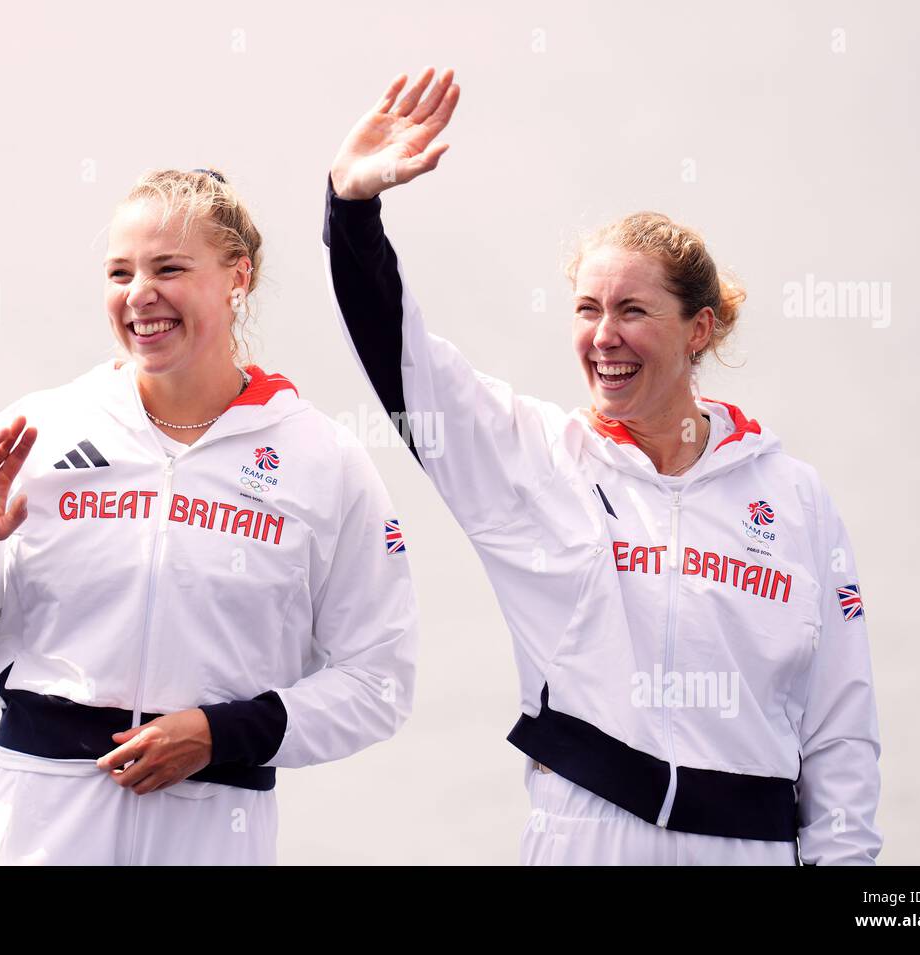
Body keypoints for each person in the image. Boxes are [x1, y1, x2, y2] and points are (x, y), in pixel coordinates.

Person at [323, 69, 881, 865]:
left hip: (752, 846)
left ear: (700, 329)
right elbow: (401, 359)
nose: (603, 336)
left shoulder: (795, 498)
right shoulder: (532, 460)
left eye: (632, 311)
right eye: (587, 309)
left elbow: (842, 727)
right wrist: (352, 210)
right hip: (590, 839)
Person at [0, 167, 418, 865]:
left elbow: (380, 681)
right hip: (42, 830)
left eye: (168, 268)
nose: (139, 295)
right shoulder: (35, 434)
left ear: (237, 278)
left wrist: (222, 733)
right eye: (119, 272)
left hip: (212, 832)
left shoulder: (325, 460)